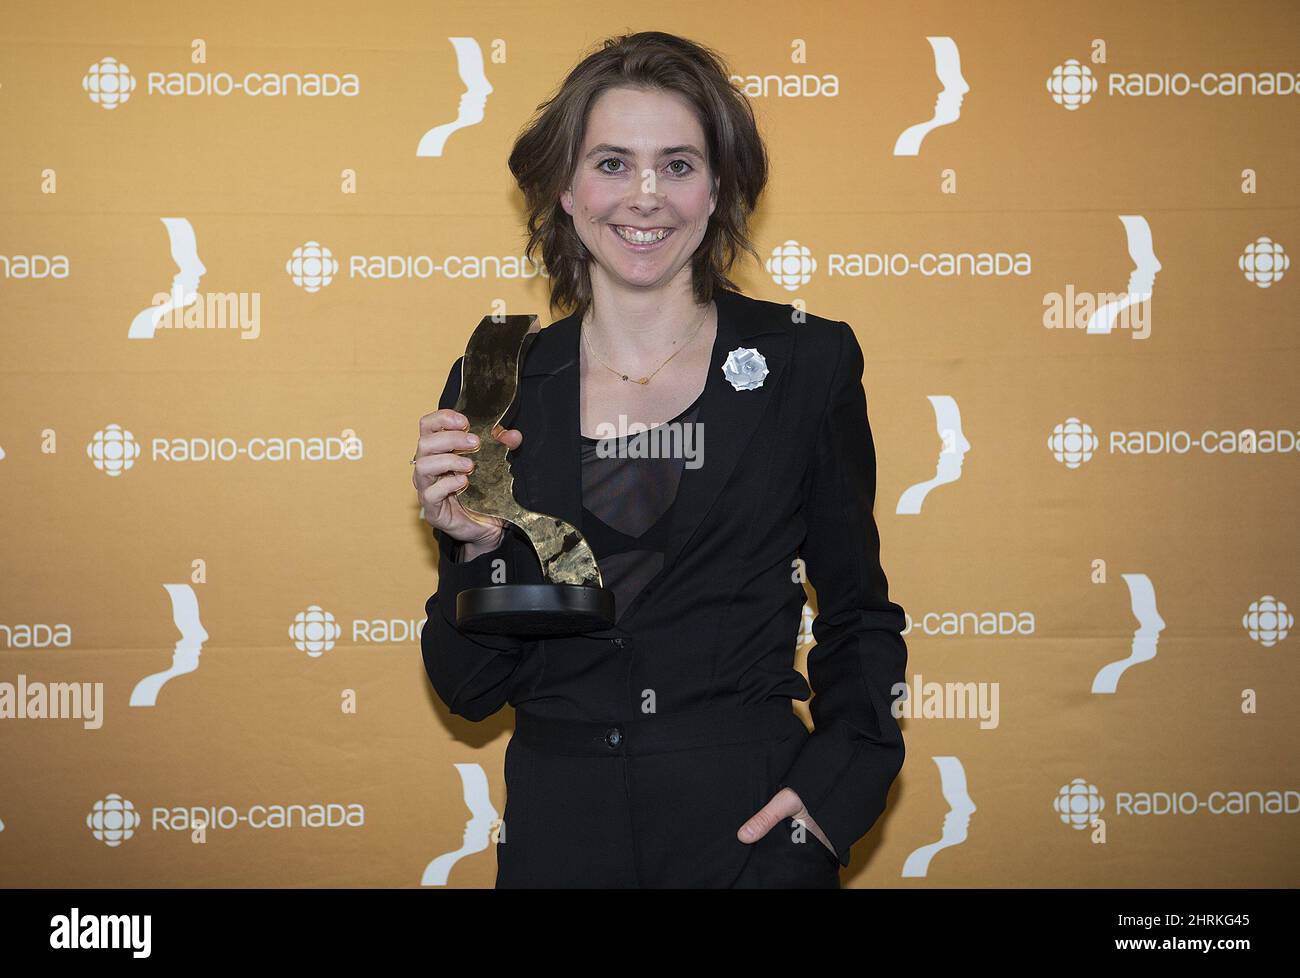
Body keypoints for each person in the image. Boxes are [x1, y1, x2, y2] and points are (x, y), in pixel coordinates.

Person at [412, 31, 907, 888]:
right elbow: (469, 688)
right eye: (612, 163)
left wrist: (831, 800)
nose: (645, 197)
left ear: (718, 189)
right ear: (563, 190)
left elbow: (858, 612)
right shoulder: (498, 378)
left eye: (678, 165)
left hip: (752, 836)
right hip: (561, 838)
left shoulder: (804, 362)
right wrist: (476, 549)